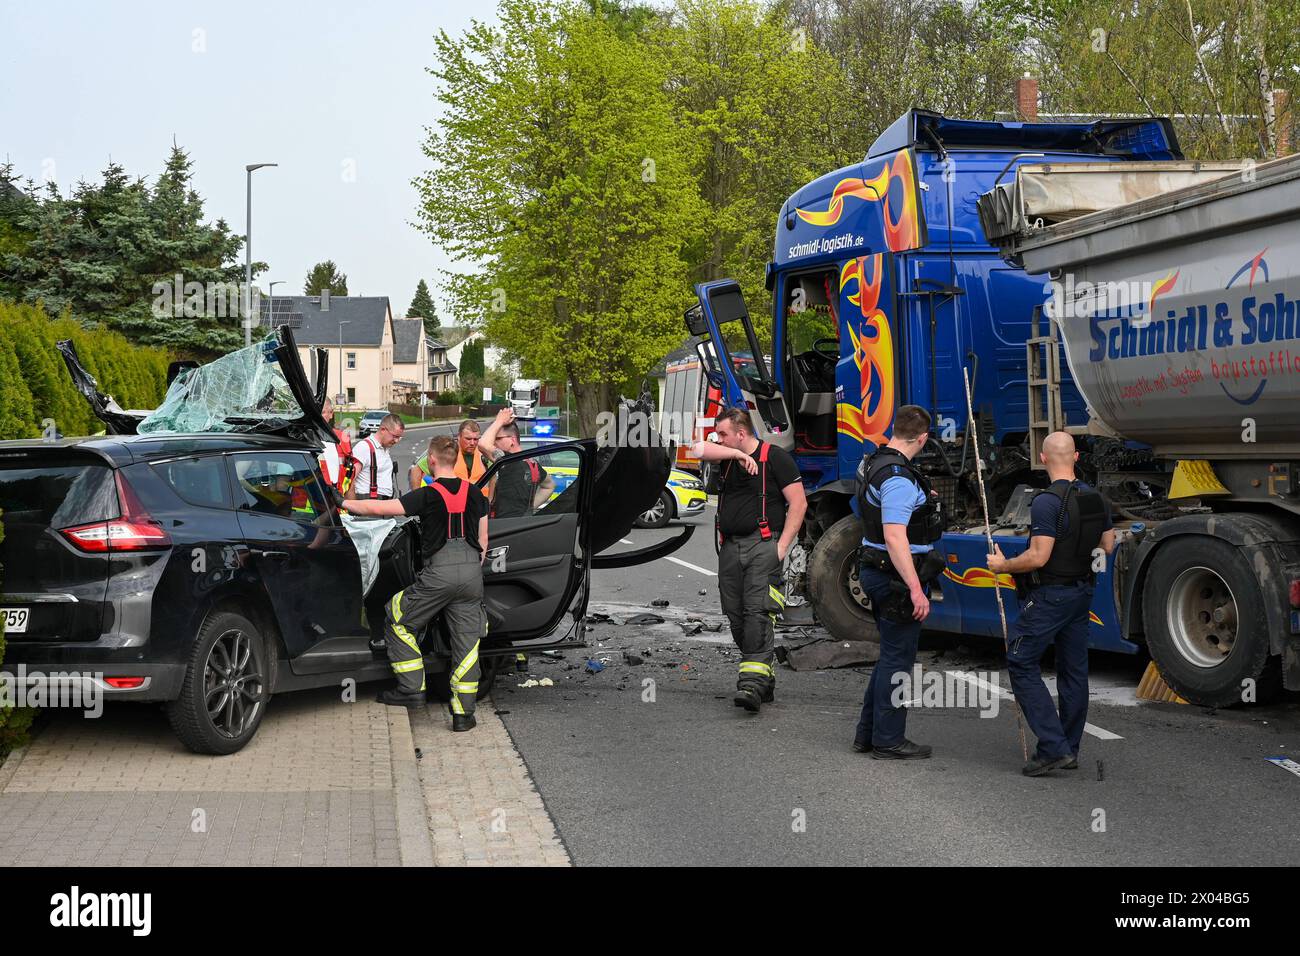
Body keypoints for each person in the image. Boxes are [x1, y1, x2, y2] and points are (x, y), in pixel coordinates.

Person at [987, 430, 1115, 776]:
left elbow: (1038, 557)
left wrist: (1003, 566)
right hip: (1081, 592)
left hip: (1051, 596)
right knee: (1074, 671)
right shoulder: (1095, 499)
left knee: (1020, 659)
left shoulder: (1045, 501)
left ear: (1042, 459)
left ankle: (1053, 748)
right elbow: (1108, 544)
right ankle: (1068, 748)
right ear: (1076, 457)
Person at [343, 434, 489, 729]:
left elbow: (381, 509)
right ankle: (463, 716)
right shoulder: (475, 493)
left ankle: (411, 690)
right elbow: (484, 541)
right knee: (467, 643)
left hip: (439, 574)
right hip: (473, 574)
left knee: (397, 617)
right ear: (456, 459)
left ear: (431, 460)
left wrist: (344, 503)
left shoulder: (426, 494)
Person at [690, 407, 806, 713]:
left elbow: (799, 503)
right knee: (736, 615)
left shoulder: (776, 458)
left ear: (741, 434)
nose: (719, 439)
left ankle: (751, 686)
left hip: (763, 545)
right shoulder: (728, 458)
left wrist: (781, 547)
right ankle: (763, 677)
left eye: (724, 435)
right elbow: (696, 449)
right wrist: (737, 456)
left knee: (757, 612)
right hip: (730, 549)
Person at [852, 405, 946, 759]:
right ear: (923, 438)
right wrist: (916, 588)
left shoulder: (874, 461)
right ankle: (888, 740)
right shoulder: (898, 479)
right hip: (893, 578)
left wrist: (921, 503)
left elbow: (879, 509)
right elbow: (894, 537)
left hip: (874, 569)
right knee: (898, 661)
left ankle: (868, 735)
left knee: (890, 654)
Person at [479, 408, 554, 517]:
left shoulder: (508, 461)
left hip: (503, 526)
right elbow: (549, 486)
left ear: (512, 440)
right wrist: (529, 509)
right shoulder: (532, 463)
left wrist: (499, 421)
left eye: (497, 438)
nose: (493, 443)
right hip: (520, 524)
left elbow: (482, 444)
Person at [409, 419, 492, 490]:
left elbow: (495, 475)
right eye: (468, 439)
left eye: (476, 439)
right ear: (459, 437)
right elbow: (416, 470)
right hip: (451, 505)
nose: (472, 443)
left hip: (476, 505)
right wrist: (418, 500)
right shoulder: (447, 450)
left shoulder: (483, 454)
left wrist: (490, 500)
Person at [348, 413, 404, 500]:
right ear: (383, 429)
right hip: (368, 502)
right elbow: (350, 480)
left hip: (383, 503)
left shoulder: (384, 448)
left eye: (399, 437)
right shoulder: (364, 447)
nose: (396, 441)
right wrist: (352, 508)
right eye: (395, 436)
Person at [318, 398, 353, 495]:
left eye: (323, 412)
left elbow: (350, 473)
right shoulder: (305, 437)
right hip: (314, 499)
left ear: (331, 413)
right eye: (318, 412)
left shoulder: (342, 438)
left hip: (338, 495)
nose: (320, 416)